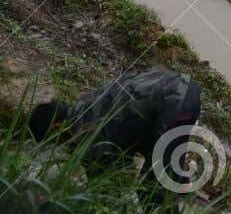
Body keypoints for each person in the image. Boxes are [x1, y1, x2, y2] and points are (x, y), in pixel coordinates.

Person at [28, 69, 202, 183]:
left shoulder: (85, 133)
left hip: (171, 104)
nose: (59, 146)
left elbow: (107, 185)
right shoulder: (85, 103)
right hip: (186, 90)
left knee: (152, 190)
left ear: (56, 128)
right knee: (167, 172)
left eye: (53, 141)